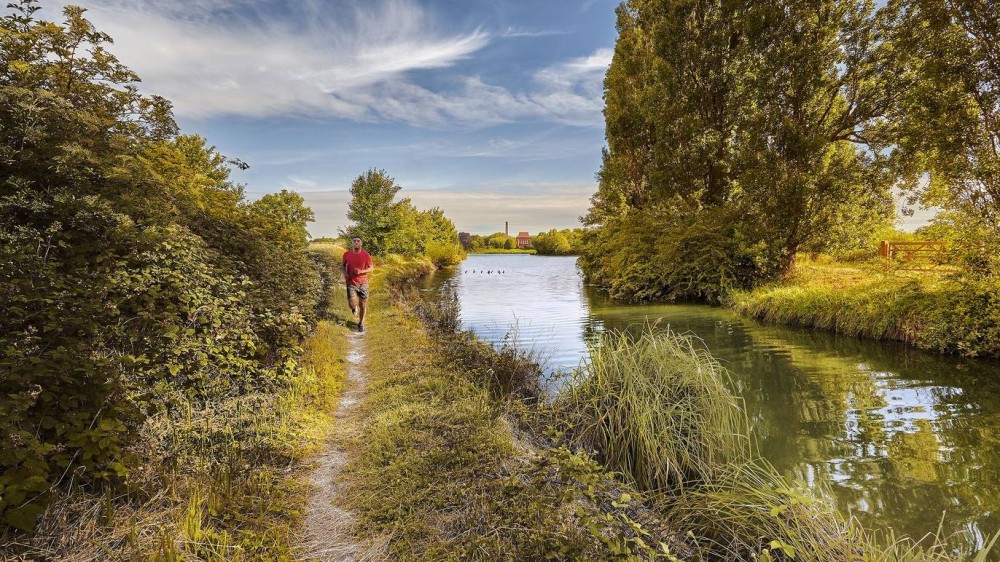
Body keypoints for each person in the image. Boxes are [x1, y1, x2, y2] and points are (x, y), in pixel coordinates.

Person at [342, 235, 374, 332]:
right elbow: (343, 266)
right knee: (352, 304)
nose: (356, 242)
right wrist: (345, 274)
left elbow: (371, 268)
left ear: (361, 243)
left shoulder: (366, 255)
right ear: (352, 243)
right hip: (351, 282)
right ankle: (354, 308)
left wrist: (361, 271)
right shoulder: (346, 254)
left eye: (358, 241)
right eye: (354, 241)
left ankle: (360, 323)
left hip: (363, 283)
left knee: (363, 305)